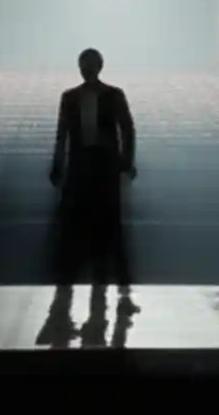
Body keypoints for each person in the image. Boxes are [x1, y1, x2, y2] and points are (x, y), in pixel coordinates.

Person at [48, 48, 137, 290]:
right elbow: (62, 134)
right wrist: (57, 165)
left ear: (99, 67)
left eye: (89, 65)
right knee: (73, 221)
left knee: (111, 221)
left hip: (105, 166)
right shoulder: (69, 97)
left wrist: (126, 161)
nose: (86, 69)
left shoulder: (114, 95)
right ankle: (68, 276)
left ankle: (118, 278)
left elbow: (128, 130)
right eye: (83, 65)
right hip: (79, 165)